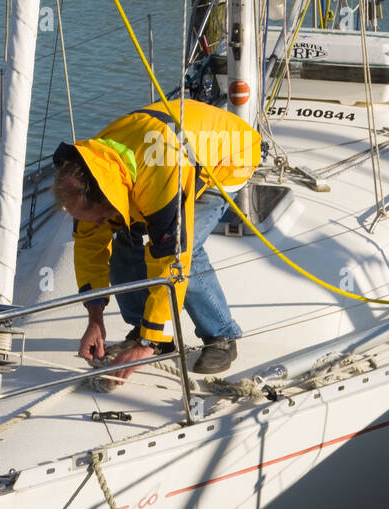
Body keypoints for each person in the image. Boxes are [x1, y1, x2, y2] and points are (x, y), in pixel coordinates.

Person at [51, 99, 261, 383]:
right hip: (163, 152)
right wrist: (95, 316)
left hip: (229, 157)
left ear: (110, 198)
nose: (98, 224)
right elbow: (90, 247)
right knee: (125, 241)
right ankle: (146, 330)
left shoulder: (160, 175)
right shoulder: (92, 171)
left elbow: (173, 260)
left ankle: (221, 335)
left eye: (100, 217)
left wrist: (147, 345)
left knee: (190, 249)